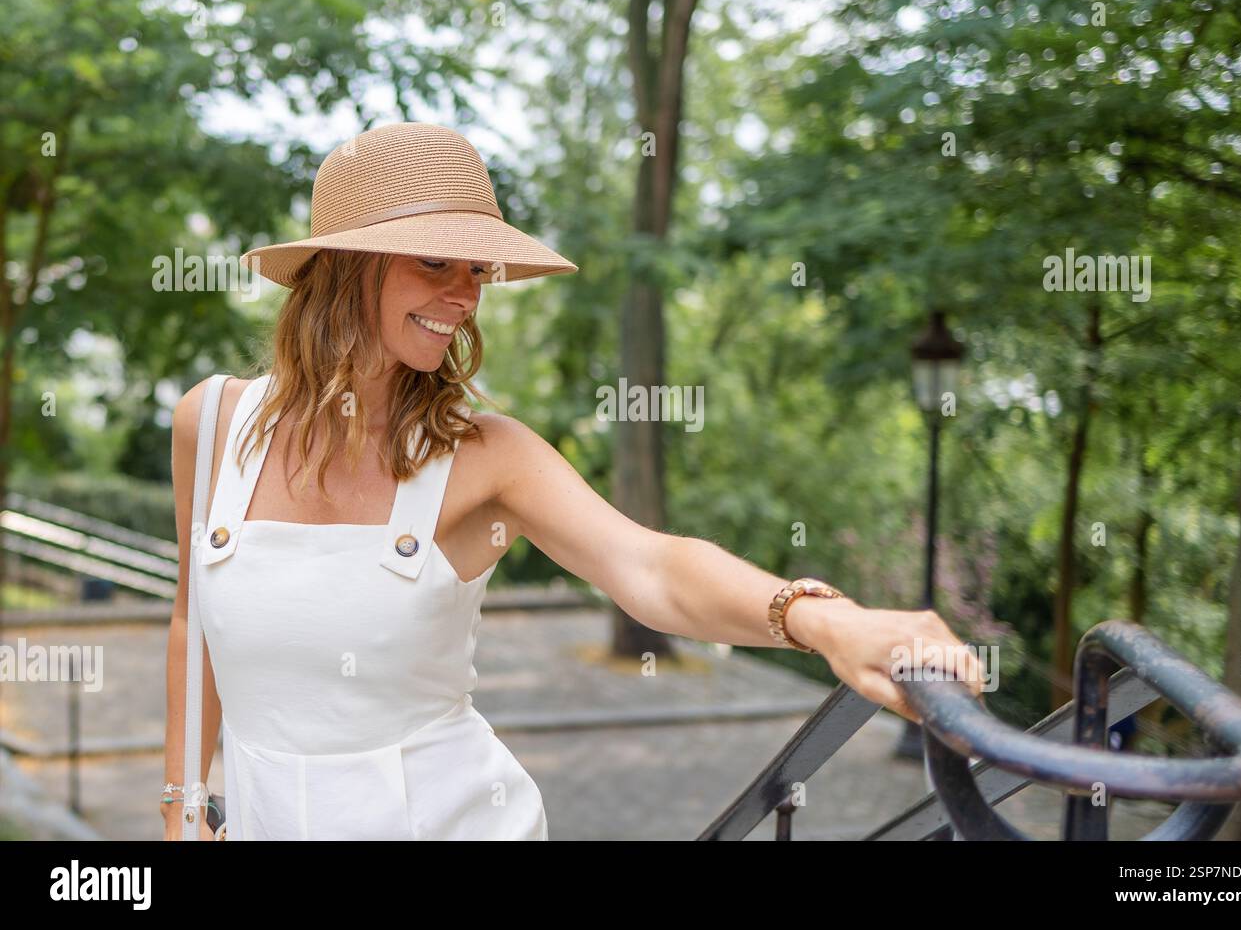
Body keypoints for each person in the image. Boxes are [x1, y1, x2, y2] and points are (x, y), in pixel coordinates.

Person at [162, 122, 983, 840]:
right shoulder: (212, 426)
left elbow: (651, 567)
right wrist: (181, 809)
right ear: (344, 268)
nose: (464, 297)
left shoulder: (487, 454)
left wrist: (826, 622)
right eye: (437, 261)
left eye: (477, 271)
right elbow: (193, 618)